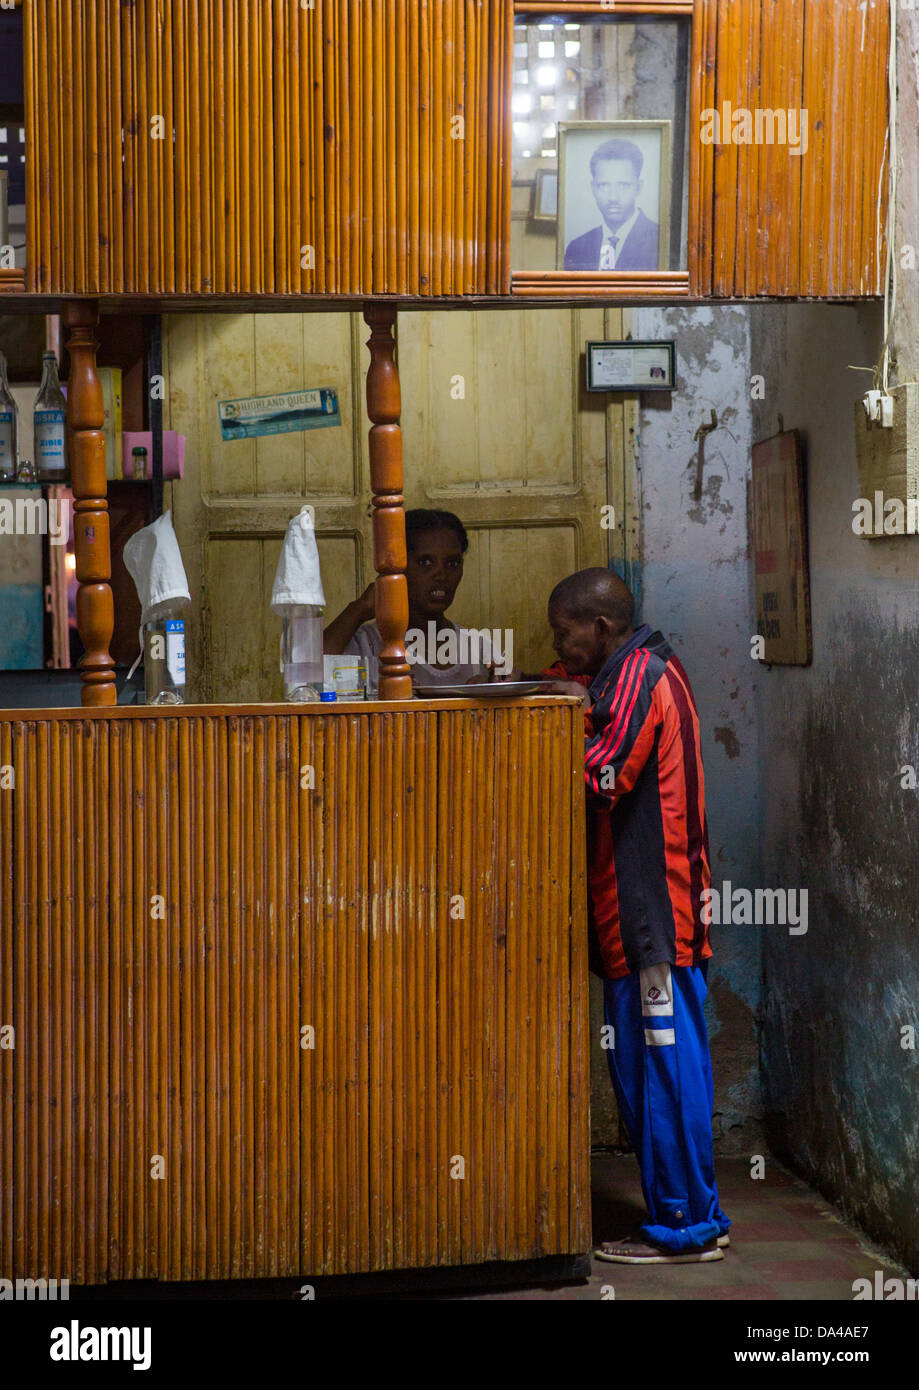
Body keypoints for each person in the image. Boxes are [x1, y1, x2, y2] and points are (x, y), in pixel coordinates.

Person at [544, 567, 731, 1264]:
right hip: (649, 911)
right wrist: (561, 689)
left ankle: (687, 1227)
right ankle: (683, 1214)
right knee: (654, 1060)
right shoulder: (636, 666)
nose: (557, 645)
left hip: (650, 912)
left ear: (599, 628)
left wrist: (548, 724)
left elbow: (601, 775)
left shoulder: (636, 675)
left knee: (663, 1065)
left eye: (564, 633)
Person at [323, 509, 494, 695]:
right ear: (398, 566)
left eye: (452, 564)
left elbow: (513, 689)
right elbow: (306, 681)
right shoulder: (367, 644)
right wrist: (359, 608)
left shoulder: (478, 647)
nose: (442, 575)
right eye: (425, 562)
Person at [563, 138, 660, 272]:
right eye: (603, 185)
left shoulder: (659, 242)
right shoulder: (576, 248)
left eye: (623, 185)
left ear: (638, 187)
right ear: (593, 188)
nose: (613, 197)